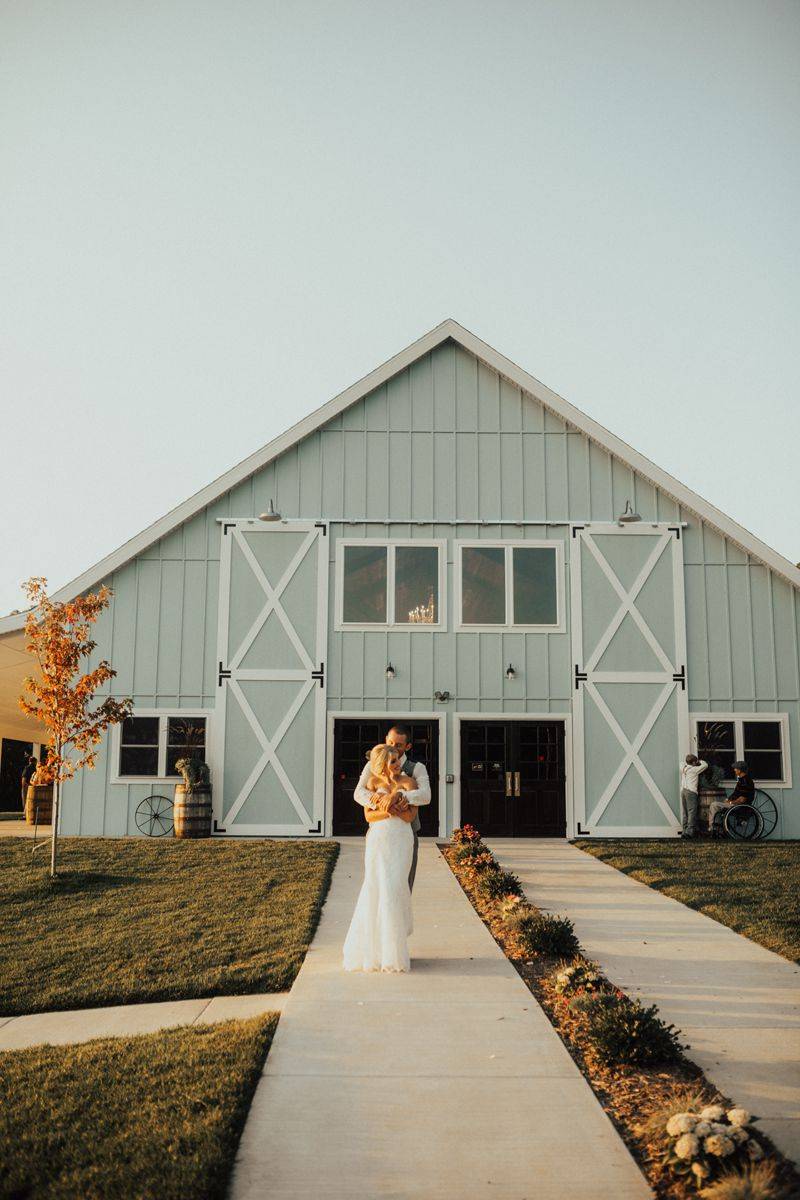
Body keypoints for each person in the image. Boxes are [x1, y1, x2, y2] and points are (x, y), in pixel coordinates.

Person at [342, 744, 418, 973]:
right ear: (382, 763)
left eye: (397, 760)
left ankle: (394, 952)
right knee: (376, 888)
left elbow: (410, 816)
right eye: (393, 761)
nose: (397, 764)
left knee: (395, 888)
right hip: (378, 841)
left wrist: (393, 803)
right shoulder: (373, 784)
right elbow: (369, 815)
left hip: (401, 840)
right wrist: (389, 809)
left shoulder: (408, 784)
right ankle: (374, 953)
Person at [354, 723, 431, 892]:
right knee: (376, 883)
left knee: (403, 886)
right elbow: (359, 793)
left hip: (407, 831)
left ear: (408, 746)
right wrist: (381, 802)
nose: (392, 747)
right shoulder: (372, 766)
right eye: (390, 742)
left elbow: (425, 796)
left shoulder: (416, 768)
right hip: (379, 832)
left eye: (398, 745)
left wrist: (399, 796)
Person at [708, 761, 755, 832]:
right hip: (735, 803)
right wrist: (728, 800)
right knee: (719, 804)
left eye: (735, 768)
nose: (734, 770)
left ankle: (712, 828)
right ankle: (718, 828)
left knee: (714, 805)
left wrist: (730, 802)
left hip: (739, 806)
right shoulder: (742, 780)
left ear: (740, 770)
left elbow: (742, 799)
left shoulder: (745, 781)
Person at [679, 753, 707, 838]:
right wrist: (700, 761)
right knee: (692, 811)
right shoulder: (694, 770)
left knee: (685, 812)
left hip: (683, 791)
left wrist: (689, 761)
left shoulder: (683, 768)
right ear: (694, 762)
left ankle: (684, 830)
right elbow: (705, 765)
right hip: (691, 792)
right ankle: (689, 832)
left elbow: (682, 763)